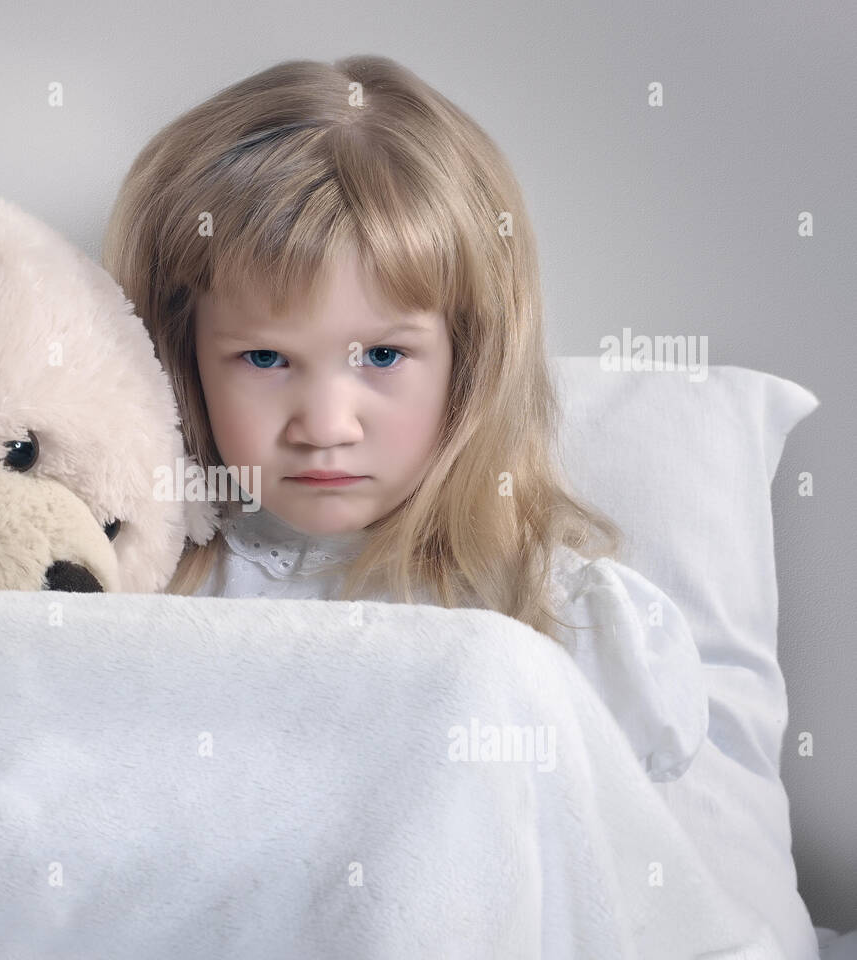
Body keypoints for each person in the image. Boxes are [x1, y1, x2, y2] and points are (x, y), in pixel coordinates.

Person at [101, 55, 706, 783]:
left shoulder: (562, 619)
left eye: (382, 355)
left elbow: (600, 865)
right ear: (180, 356)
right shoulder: (142, 595)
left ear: (472, 356)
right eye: (264, 358)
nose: (325, 426)